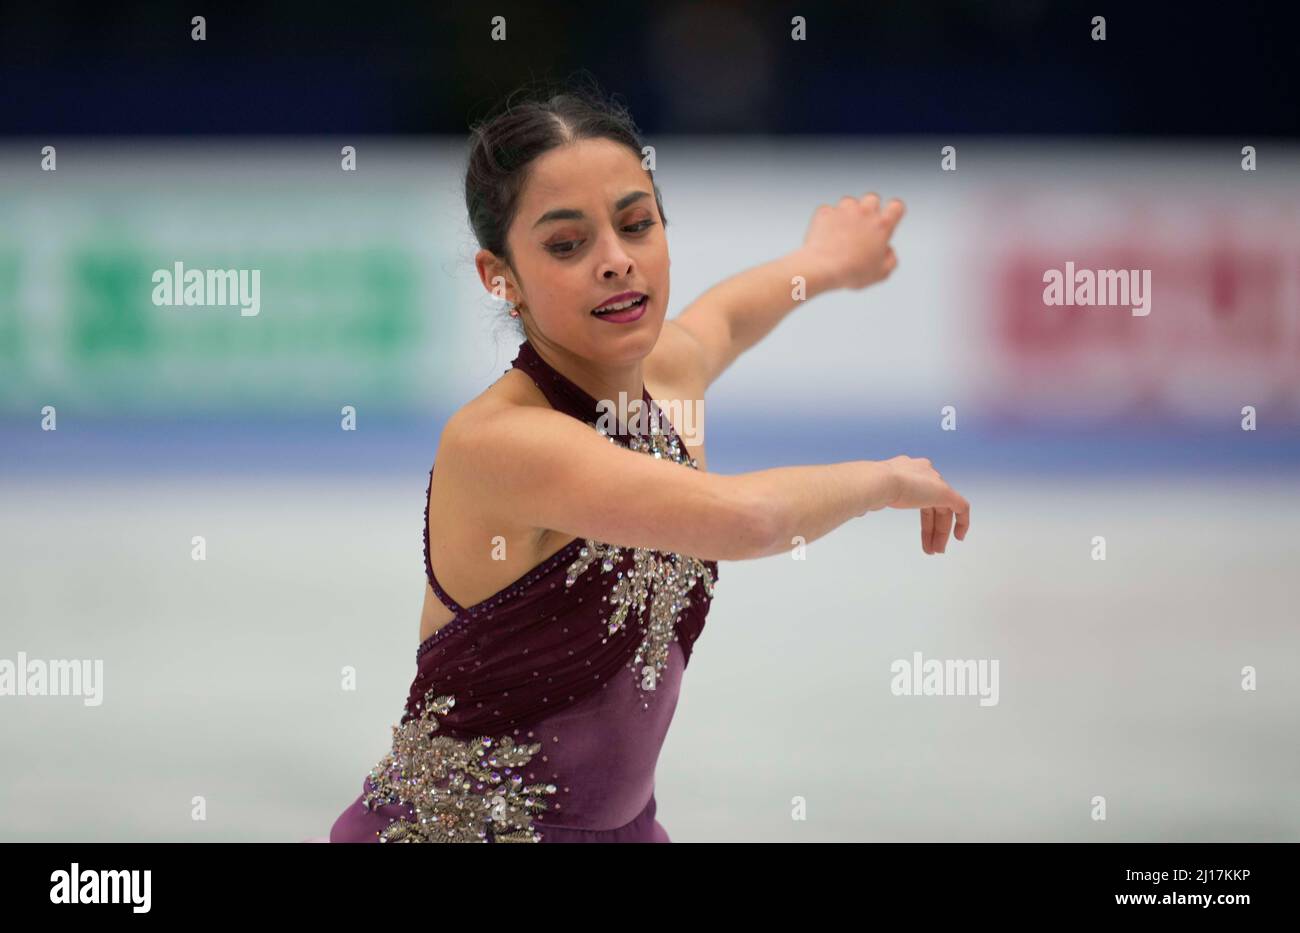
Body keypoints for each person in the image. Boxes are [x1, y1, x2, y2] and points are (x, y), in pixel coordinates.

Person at [327, 77, 970, 843]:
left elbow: (725, 316)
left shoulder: (666, 379)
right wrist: (886, 478)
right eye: (567, 244)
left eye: (637, 224)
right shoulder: (502, 443)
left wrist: (824, 260)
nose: (616, 261)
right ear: (500, 276)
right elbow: (750, 519)